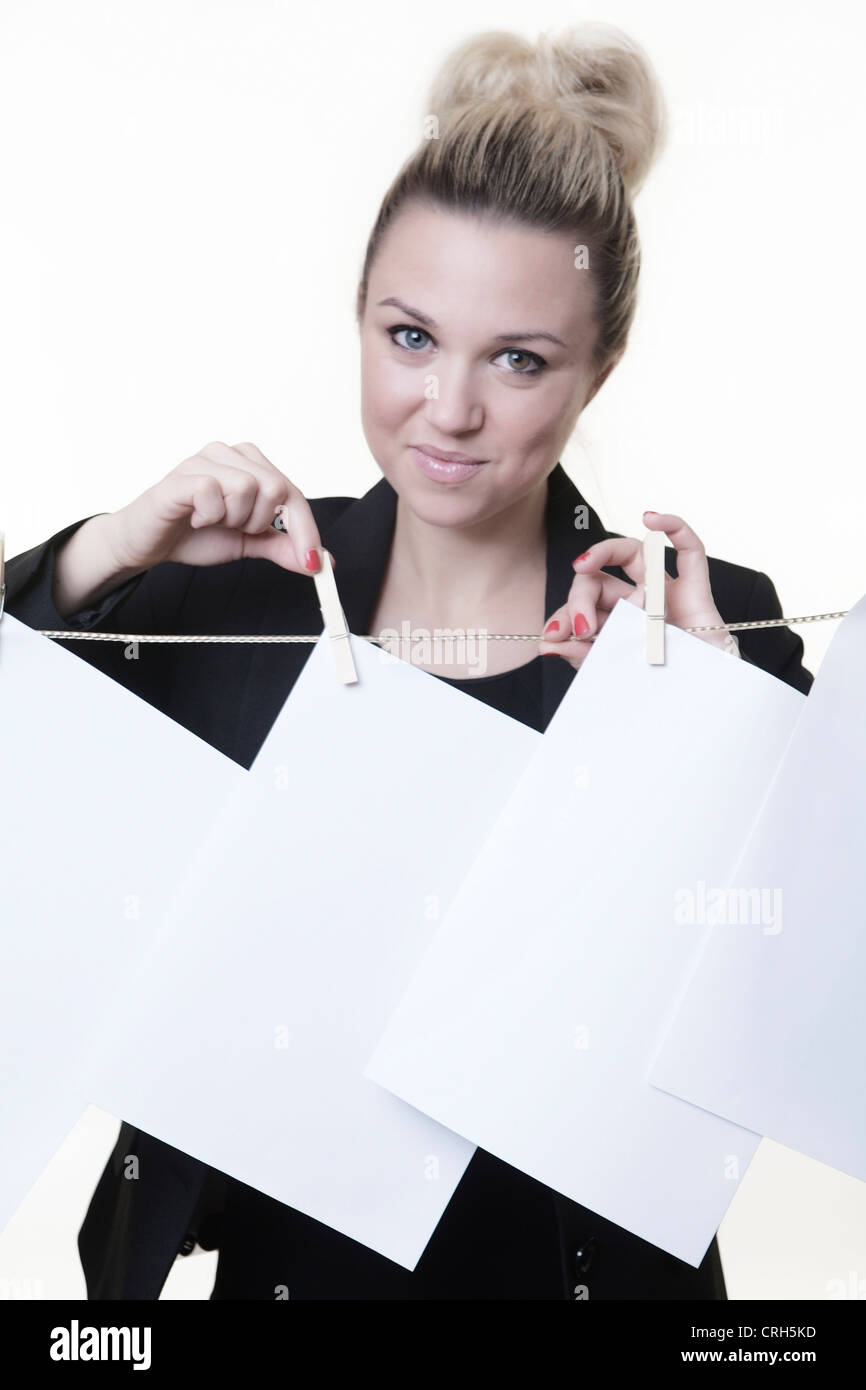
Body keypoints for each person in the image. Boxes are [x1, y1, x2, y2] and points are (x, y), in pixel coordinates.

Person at [5, 23, 812, 1300]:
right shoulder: (224, 604)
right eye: (411, 337)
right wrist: (91, 561)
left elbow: (800, 1014)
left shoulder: (698, 632)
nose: (446, 412)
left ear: (596, 370)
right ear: (361, 323)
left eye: (519, 359)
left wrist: (723, 735)